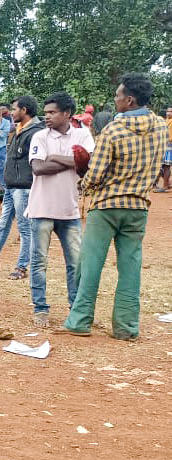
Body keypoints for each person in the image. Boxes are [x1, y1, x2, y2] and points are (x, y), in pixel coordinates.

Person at [64, 74, 168, 340]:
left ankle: (79, 321)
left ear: (129, 100)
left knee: (90, 265)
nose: (115, 98)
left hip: (107, 206)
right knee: (130, 268)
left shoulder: (113, 130)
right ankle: (126, 327)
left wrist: (82, 184)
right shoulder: (160, 126)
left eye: (118, 95)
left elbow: (96, 174)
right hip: (138, 207)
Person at [25, 91, 95, 328]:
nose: (47, 117)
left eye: (52, 112)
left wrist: (55, 157)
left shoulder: (83, 134)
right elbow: (38, 168)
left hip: (69, 210)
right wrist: (73, 160)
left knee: (76, 262)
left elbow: (89, 164)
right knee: (39, 262)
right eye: (45, 113)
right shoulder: (40, 137)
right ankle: (40, 308)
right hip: (41, 208)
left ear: (67, 114)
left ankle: (75, 308)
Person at [0, 96, 43, 280]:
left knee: (25, 229)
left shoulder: (36, 132)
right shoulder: (19, 128)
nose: (11, 112)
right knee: (3, 225)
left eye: (14, 109)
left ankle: (21, 267)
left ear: (24, 110)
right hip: (11, 186)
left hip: (23, 187)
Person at [154, 105, 172, 192]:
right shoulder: (166, 121)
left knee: (166, 166)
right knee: (163, 166)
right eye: (168, 111)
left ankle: (165, 186)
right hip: (164, 144)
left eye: (171, 112)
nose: (169, 113)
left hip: (169, 145)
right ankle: (167, 183)